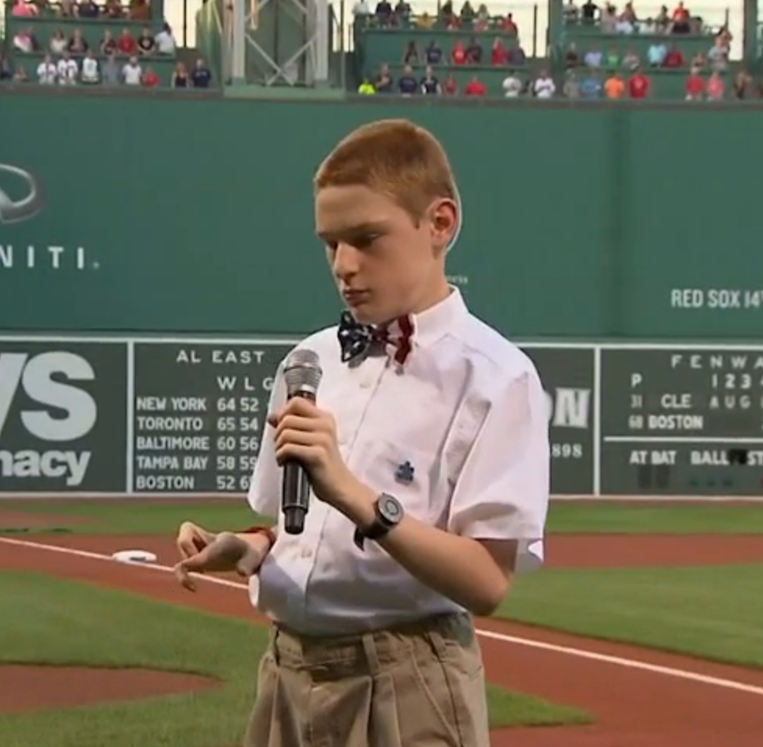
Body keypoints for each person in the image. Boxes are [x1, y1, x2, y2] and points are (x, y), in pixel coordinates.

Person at [174, 119, 551, 747]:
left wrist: (355, 495)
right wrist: (249, 548)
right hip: (287, 672)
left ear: (440, 225)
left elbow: (487, 582)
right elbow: (303, 535)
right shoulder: (310, 359)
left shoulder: (497, 377)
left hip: (408, 682)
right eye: (330, 244)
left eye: (367, 238)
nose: (345, 266)